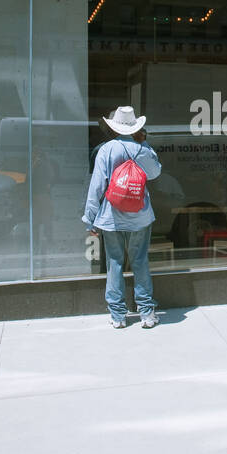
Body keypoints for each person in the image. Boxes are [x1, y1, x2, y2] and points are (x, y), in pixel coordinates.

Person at [82, 106, 163, 329]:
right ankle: (146, 313)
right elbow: (156, 172)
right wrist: (143, 144)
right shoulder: (142, 149)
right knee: (140, 261)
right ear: (136, 127)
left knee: (115, 263)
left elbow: (96, 186)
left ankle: (118, 316)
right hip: (140, 216)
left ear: (114, 127)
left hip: (111, 216)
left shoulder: (106, 150)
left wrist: (90, 218)